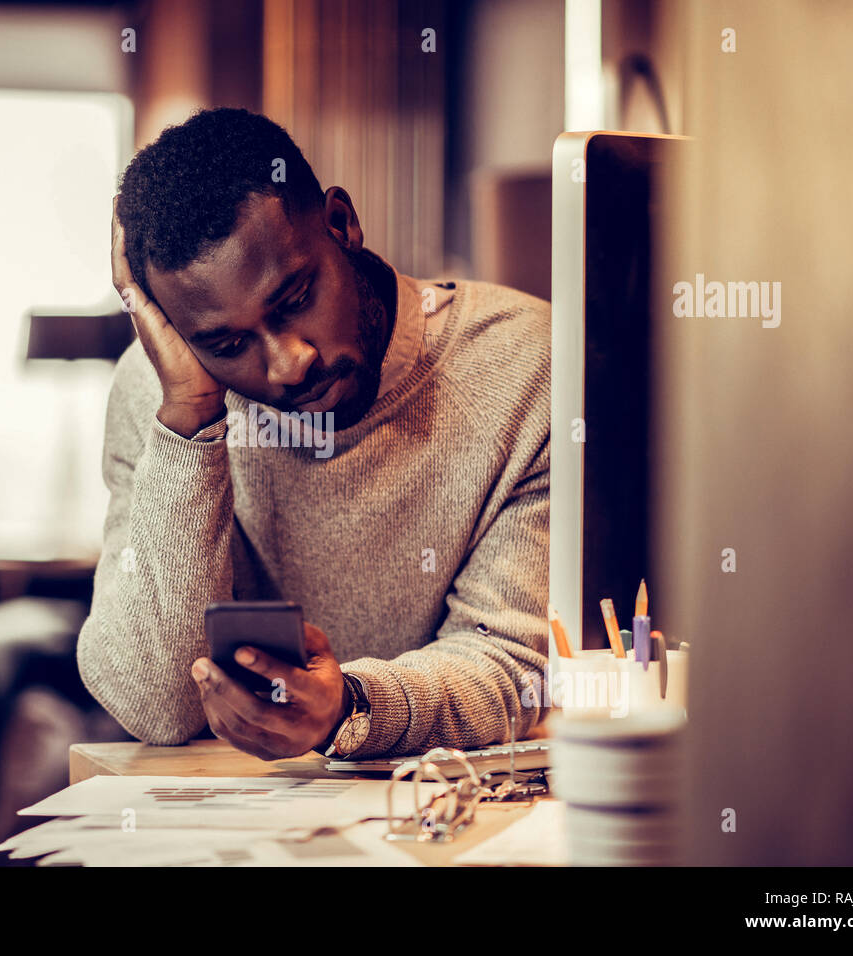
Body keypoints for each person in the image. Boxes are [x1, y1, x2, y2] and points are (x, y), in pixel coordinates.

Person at [77, 107, 551, 761]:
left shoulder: (525, 367)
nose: (288, 361)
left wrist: (349, 709)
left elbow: (515, 668)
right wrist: (190, 421)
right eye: (228, 342)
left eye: (297, 297)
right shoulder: (165, 392)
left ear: (341, 223)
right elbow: (157, 705)